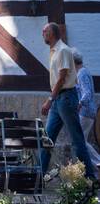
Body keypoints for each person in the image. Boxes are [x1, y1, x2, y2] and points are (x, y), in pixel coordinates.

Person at [38, 23, 97, 183]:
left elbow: (62, 78)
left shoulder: (63, 50)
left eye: (46, 31)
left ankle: (89, 178)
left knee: (77, 139)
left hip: (65, 98)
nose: (43, 33)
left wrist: (50, 99)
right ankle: (39, 177)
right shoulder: (53, 51)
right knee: (47, 139)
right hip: (59, 99)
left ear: (53, 34)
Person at [74, 50, 100, 172]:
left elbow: (87, 93)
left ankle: (97, 163)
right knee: (81, 141)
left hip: (86, 112)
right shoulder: (82, 71)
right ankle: (93, 167)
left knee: (81, 141)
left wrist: (80, 103)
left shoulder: (82, 73)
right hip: (87, 112)